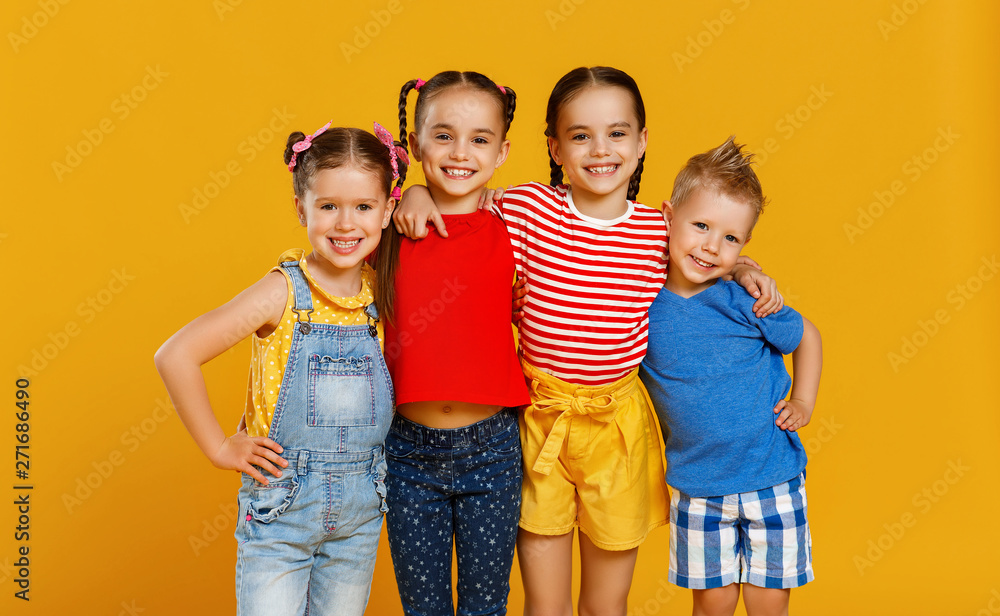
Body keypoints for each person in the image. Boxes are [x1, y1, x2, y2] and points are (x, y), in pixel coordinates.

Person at [394, 67, 783, 616]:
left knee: (606, 603)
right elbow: (457, 193)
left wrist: (745, 267)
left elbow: (709, 251)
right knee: (544, 604)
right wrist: (411, 188)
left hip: (616, 431)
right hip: (539, 424)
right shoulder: (524, 210)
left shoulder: (660, 230)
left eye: (617, 133)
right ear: (553, 145)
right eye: (580, 135)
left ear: (643, 141)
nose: (600, 149)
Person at [154, 122, 402, 616]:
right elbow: (176, 355)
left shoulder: (384, 291)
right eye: (328, 206)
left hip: (360, 515)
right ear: (300, 208)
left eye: (364, 207)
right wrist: (220, 446)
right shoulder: (283, 293)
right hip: (281, 509)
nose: (346, 224)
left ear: (388, 209)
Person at [639, 136, 822, 616]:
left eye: (730, 238)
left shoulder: (746, 299)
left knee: (767, 604)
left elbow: (808, 336)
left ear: (744, 245)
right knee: (713, 605)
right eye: (700, 225)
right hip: (698, 486)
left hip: (771, 478)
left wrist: (803, 401)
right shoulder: (639, 299)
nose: (711, 246)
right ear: (667, 216)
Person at [376, 70, 531, 616]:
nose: (460, 152)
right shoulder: (389, 227)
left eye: (479, 139)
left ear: (502, 151)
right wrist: (407, 191)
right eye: (443, 136)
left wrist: (738, 264)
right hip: (405, 451)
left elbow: (604, 232)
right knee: (424, 608)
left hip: (492, 449)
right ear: (415, 145)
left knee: (487, 607)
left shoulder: (516, 226)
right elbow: (334, 222)